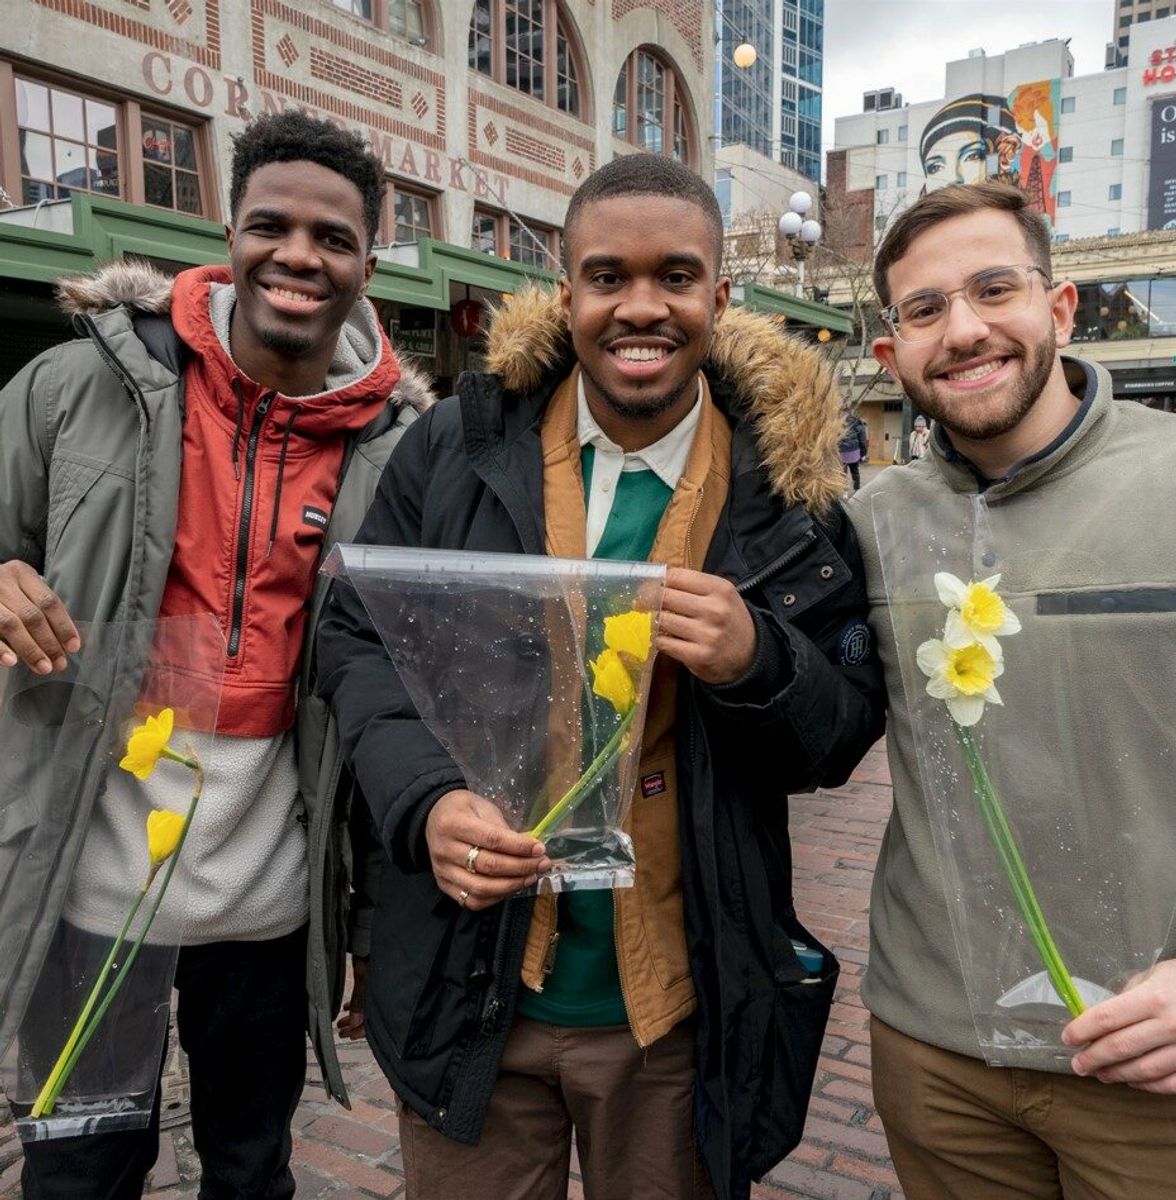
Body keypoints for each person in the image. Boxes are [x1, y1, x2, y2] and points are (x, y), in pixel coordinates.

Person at [318, 155, 885, 1200]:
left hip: (675, 1010)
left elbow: (842, 730)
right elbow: (356, 637)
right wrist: (425, 803)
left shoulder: (786, 490)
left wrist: (758, 662)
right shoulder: (455, 449)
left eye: (676, 277)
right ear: (567, 292)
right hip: (468, 986)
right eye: (606, 276)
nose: (641, 308)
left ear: (721, 294)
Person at [0, 110, 431, 1198]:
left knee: (251, 1169)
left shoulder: (405, 455)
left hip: (273, 905)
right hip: (88, 891)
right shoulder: (71, 388)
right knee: (79, 1175)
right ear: (227, 234)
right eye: (271, 225)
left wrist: (370, 920)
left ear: (367, 263)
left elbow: (406, 701)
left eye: (333, 237)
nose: (299, 255)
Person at [848, 180, 1176, 1198]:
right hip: (938, 1057)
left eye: (993, 289)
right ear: (892, 353)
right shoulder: (871, 524)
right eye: (924, 310)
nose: (962, 330)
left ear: (1060, 307)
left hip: (1154, 1059)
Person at [838, 409, 869, 492]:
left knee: (842, 473)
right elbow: (863, 441)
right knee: (855, 471)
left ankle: (844, 492)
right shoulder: (858, 424)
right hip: (854, 451)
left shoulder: (838, 423)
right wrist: (863, 454)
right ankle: (857, 490)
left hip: (842, 452)